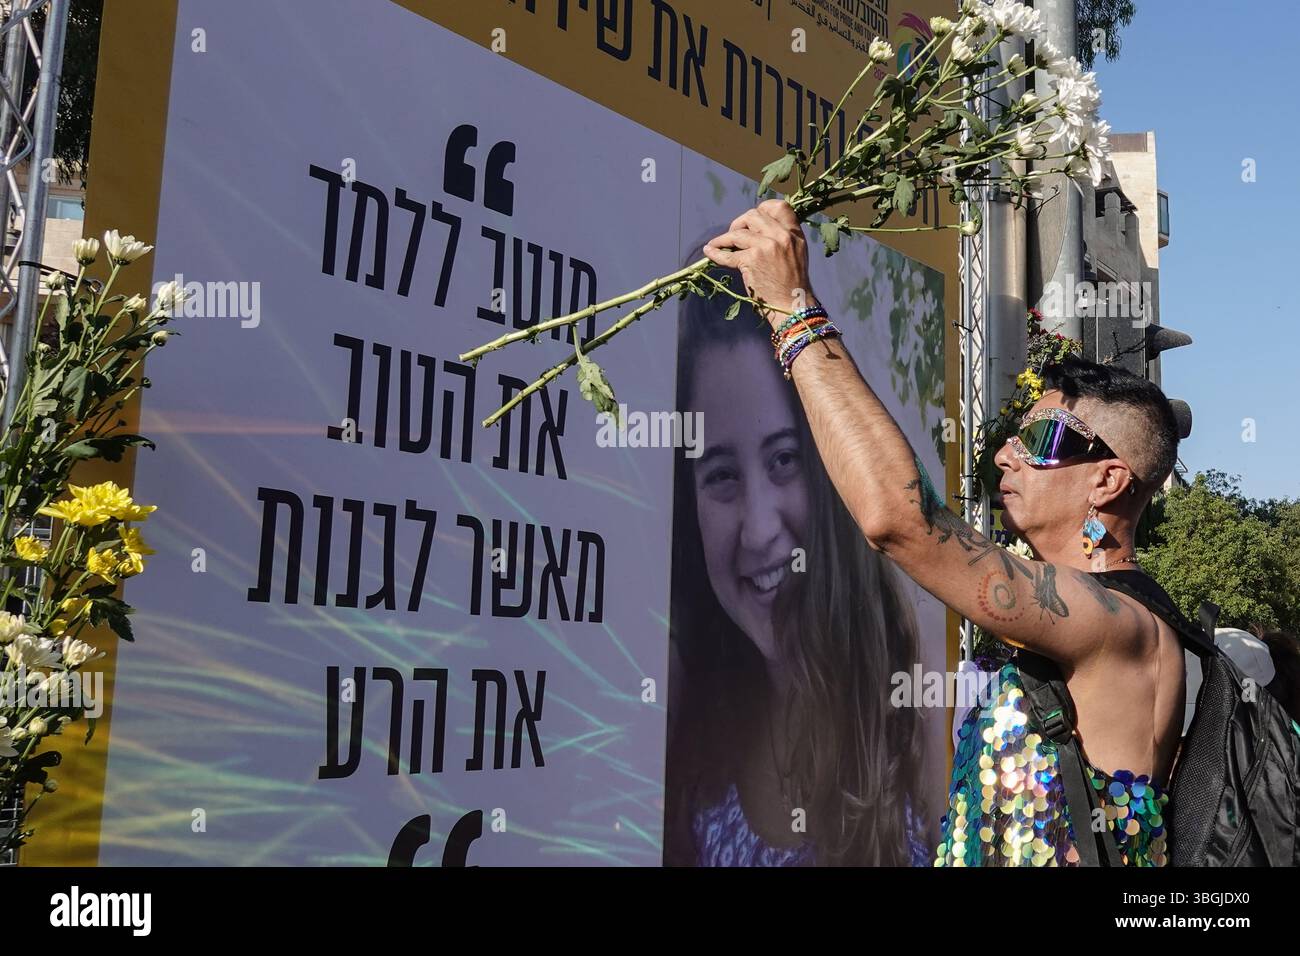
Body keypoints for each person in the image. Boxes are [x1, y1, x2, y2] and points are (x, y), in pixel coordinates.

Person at [702, 200, 1188, 866]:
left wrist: (794, 308)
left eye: (1042, 440)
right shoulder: (1068, 619)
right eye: (1013, 435)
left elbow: (903, 524)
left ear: (1109, 482)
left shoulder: (1120, 625)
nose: (1007, 455)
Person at [664, 245, 935, 866]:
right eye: (722, 475)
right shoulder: (685, 719)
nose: (759, 530)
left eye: (785, 459)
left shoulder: (911, 701)